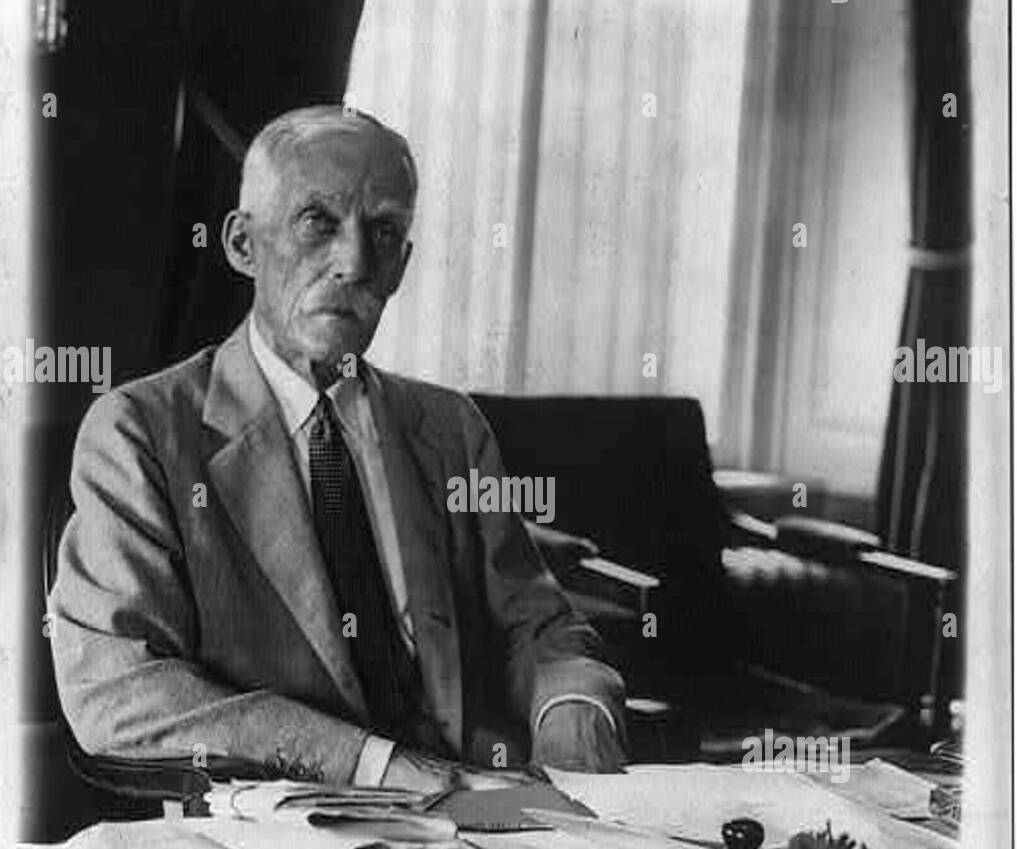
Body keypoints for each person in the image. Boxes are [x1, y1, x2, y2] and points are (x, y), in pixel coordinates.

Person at [50, 105, 627, 795]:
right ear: (241, 243)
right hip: (283, 834)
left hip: (489, 816)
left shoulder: (449, 428)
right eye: (318, 221)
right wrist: (376, 768)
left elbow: (537, 626)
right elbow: (117, 692)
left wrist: (574, 709)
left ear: (403, 264)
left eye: (383, 232)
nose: (354, 261)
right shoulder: (138, 432)